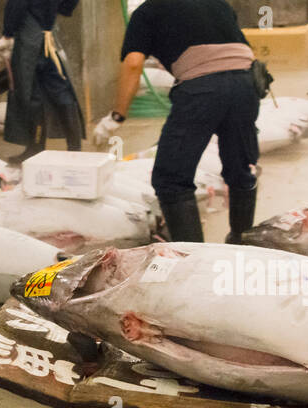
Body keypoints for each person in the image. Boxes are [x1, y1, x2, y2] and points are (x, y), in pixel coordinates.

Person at [93, 0, 260, 244]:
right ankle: (242, 240)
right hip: (247, 84)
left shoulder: (148, 12)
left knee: (171, 179)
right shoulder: (218, 4)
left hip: (201, 89)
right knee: (240, 169)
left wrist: (116, 117)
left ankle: (193, 257)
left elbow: (133, 64)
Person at [3, 0, 85, 164]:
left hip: (29, 34)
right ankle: (74, 147)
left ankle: (35, 148)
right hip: (48, 32)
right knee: (60, 88)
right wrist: (57, 10)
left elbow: (17, 4)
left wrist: (8, 32)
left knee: (32, 93)